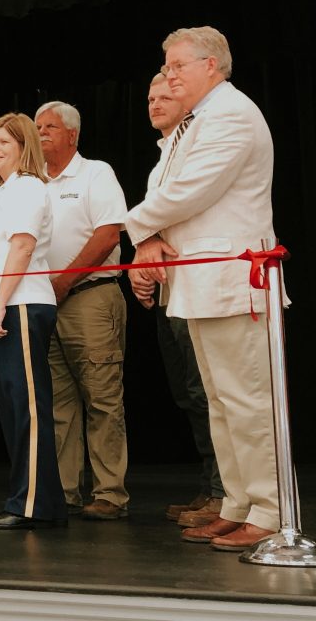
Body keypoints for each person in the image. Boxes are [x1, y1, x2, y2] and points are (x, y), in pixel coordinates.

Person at [127, 26, 281, 551]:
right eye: (166, 66)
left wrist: (136, 228)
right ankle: (238, 503)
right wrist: (149, 236)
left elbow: (189, 192)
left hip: (234, 279)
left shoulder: (232, 114)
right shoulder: (195, 122)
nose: (168, 75)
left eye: (176, 66)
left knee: (247, 400)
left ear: (210, 66)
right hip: (201, 282)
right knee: (220, 401)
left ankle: (271, 508)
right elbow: (170, 192)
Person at [35, 101, 129, 521]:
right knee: (58, 402)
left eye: (49, 127)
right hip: (44, 301)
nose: (39, 134)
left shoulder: (96, 173)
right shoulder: (32, 182)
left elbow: (109, 233)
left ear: (72, 134)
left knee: (103, 397)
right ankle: (67, 490)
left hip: (90, 295)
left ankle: (110, 492)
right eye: (36, 127)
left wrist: (64, 281)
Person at [0, 112, 66, 530]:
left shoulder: (28, 187)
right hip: (6, 305)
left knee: (27, 408)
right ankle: (29, 499)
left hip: (21, 305)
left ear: (23, 148)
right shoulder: (6, 192)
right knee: (14, 410)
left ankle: (33, 505)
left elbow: (23, 248)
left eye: (4, 143)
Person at [141, 74, 224, 528]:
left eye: (165, 95)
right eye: (150, 98)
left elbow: (185, 207)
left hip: (200, 289)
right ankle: (211, 487)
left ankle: (223, 493)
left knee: (206, 392)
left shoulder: (197, 143)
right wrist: (144, 269)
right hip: (171, 290)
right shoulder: (162, 156)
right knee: (188, 394)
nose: (155, 103)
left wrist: (145, 234)